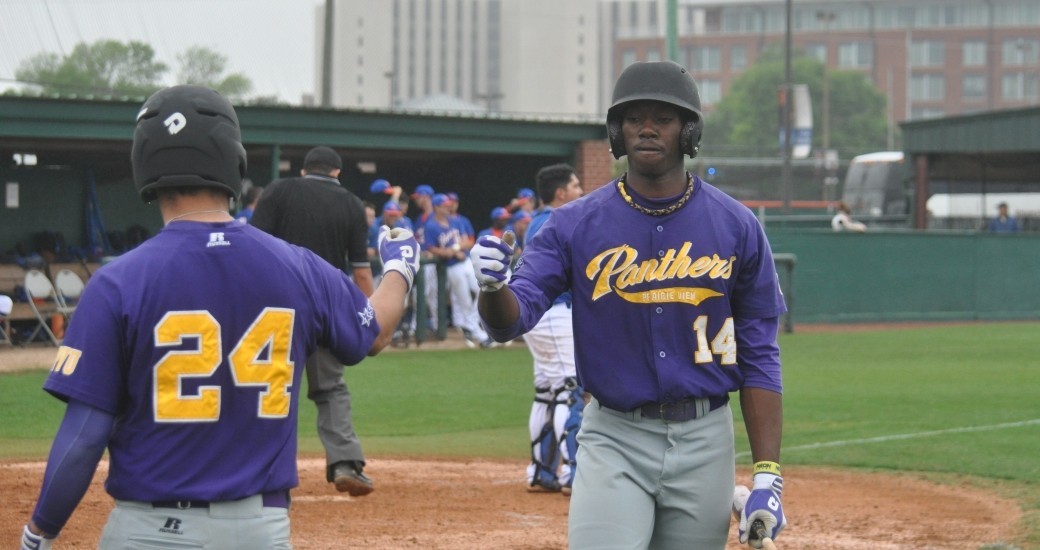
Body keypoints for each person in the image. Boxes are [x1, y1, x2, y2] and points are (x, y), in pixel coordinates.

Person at [18, 85, 418, 550]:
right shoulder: (300, 266)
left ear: (143, 164)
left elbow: (84, 438)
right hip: (256, 530)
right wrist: (400, 269)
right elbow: (375, 331)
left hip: (147, 532)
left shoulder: (117, 282)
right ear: (233, 159)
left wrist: (39, 533)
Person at [470, 60, 788, 549]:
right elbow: (512, 319)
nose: (645, 127)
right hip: (613, 433)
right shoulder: (572, 224)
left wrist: (767, 475)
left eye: (662, 117)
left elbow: (760, 354)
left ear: (689, 130)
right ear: (616, 133)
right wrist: (493, 289)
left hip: (706, 439)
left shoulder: (737, 225)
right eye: (634, 117)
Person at [251, 146, 378, 496]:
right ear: (337, 173)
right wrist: (366, 317)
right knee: (330, 387)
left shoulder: (279, 190)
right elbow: (362, 272)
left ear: (305, 171)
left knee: (267, 388)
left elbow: (251, 248)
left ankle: (258, 471)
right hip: (326, 304)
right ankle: (345, 463)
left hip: (276, 303)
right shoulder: (352, 204)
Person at [522, 163, 585, 495]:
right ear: (560, 192)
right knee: (570, 391)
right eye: (575, 185)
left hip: (539, 314)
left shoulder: (536, 221)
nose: (580, 190)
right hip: (555, 313)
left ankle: (541, 472)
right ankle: (573, 472)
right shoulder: (555, 221)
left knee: (547, 392)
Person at [424, 193, 495, 348]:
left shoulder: (455, 221)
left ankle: (469, 324)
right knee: (465, 301)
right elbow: (431, 247)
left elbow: (466, 241)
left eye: (449, 205)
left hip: (466, 262)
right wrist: (450, 252)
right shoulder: (430, 226)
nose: (448, 207)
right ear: (436, 207)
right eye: (445, 205)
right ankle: (481, 336)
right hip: (451, 267)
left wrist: (454, 249)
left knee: (485, 290)